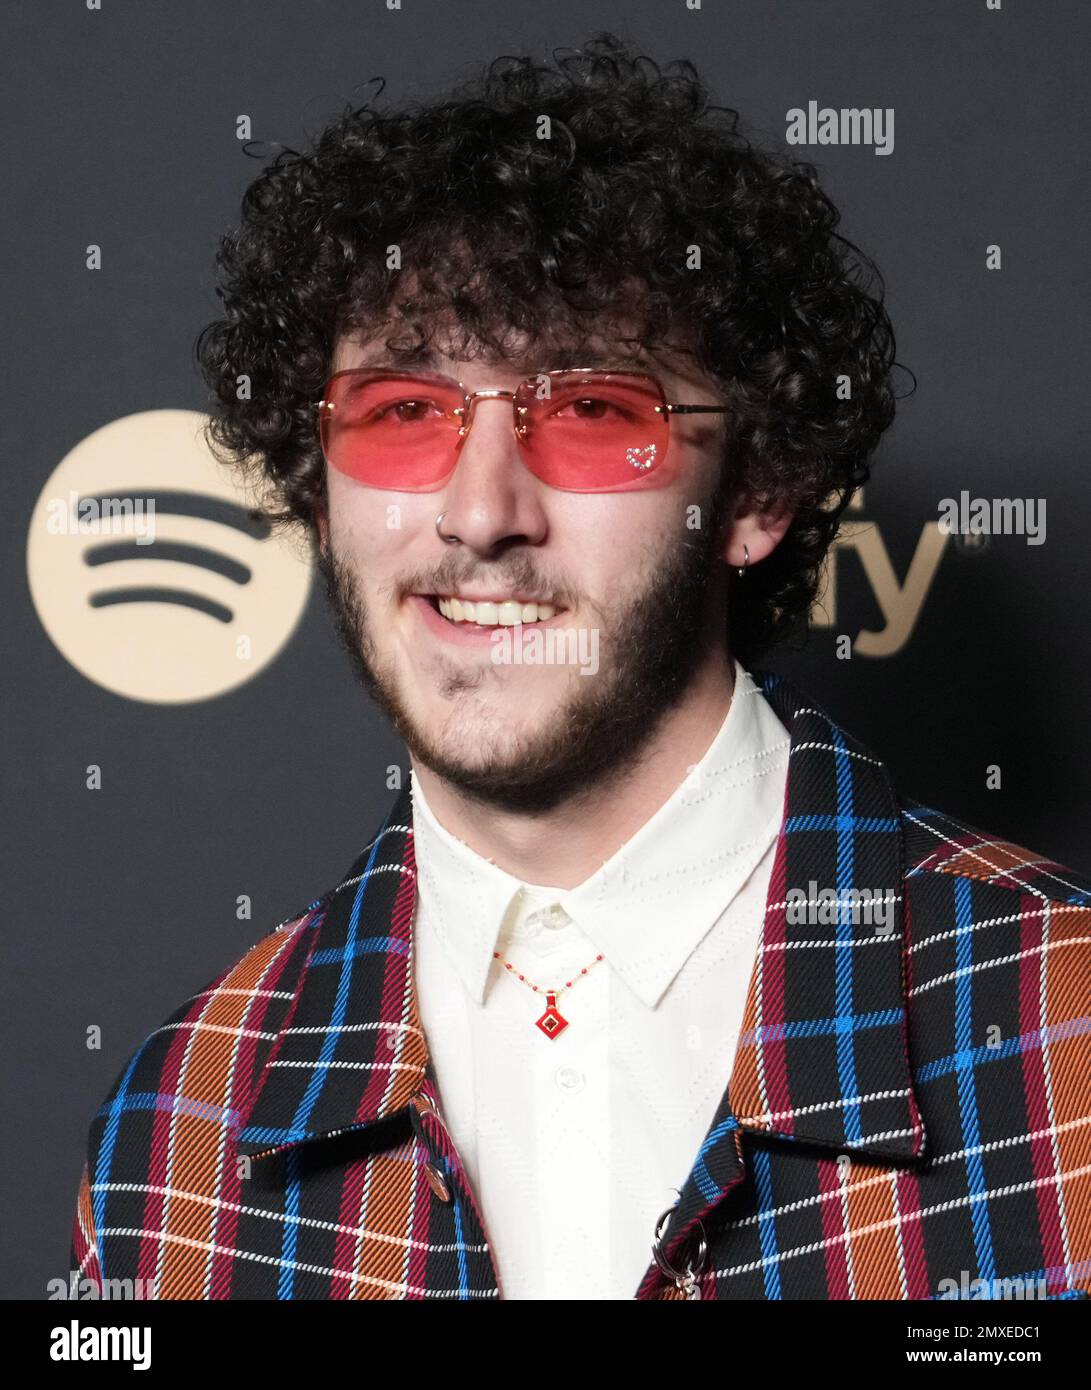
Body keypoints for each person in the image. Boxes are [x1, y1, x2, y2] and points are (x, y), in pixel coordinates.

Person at [70, 34, 1090, 1301]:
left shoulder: (1060, 1020)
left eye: (593, 414)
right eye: (401, 413)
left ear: (756, 492)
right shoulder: (182, 1121)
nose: (477, 510)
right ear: (314, 486)